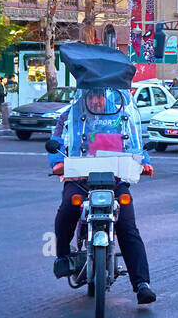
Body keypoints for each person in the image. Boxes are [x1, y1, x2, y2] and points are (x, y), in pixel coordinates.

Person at [48, 85, 157, 304]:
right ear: (83, 95)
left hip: (114, 179)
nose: (96, 100)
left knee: (127, 226)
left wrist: (144, 162)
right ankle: (62, 256)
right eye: (91, 95)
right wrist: (57, 162)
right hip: (80, 179)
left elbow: (133, 142)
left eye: (99, 95)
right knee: (68, 208)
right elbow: (58, 141)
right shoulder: (69, 116)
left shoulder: (121, 114)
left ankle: (142, 284)